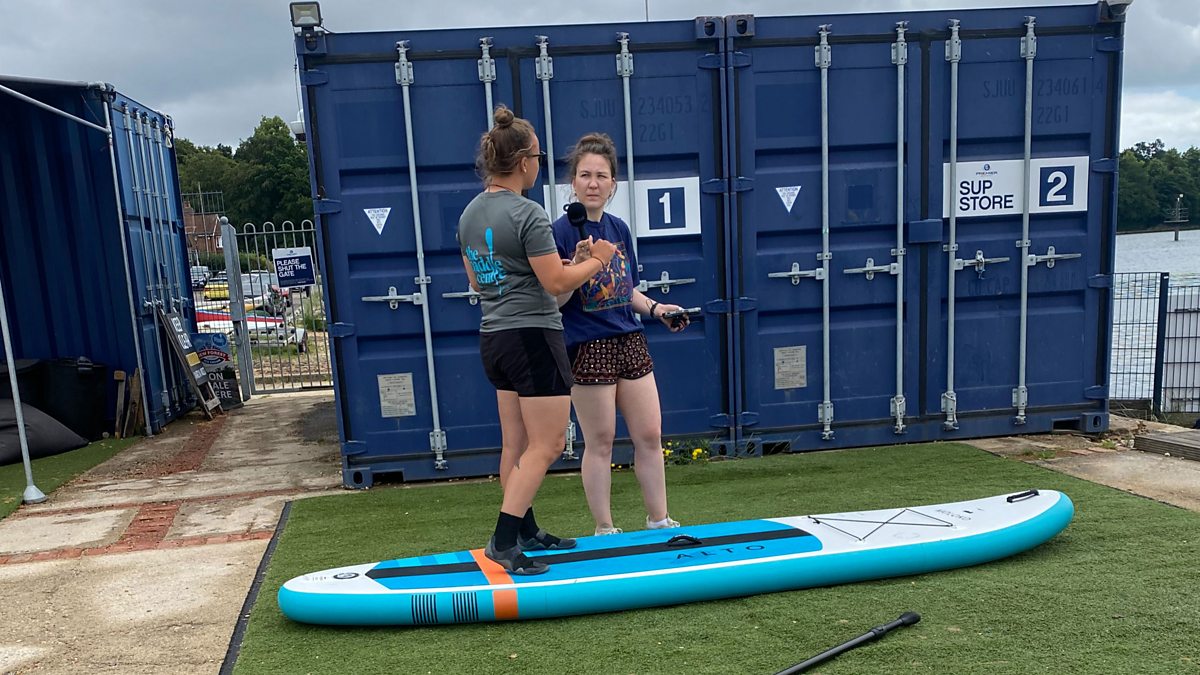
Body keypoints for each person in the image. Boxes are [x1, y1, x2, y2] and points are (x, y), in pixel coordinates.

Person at [458, 106, 617, 575]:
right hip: (533, 337)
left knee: (517, 445)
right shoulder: (527, 212)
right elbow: (554, 285)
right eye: (540, 158)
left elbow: (479, 281)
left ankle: (526, 529)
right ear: (526, 160)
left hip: (495, 337)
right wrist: (599, 259)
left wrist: (575, 261)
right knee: (546, 446)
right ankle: (504, 541)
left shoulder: (471, 214)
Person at [551, 132, 690, 536]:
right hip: (587, 345)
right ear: (572, 183)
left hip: (630, 339)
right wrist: (578, 268)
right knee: (601, 441)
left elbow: (625, 289)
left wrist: (657, 309)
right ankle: (605, 528)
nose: (593, 183)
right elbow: (555, 301)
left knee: (649, 433)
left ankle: (659, 520)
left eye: (601, 176)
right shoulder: (558, 233)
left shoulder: (619, 229)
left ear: (613, 185)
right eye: (585, 175)